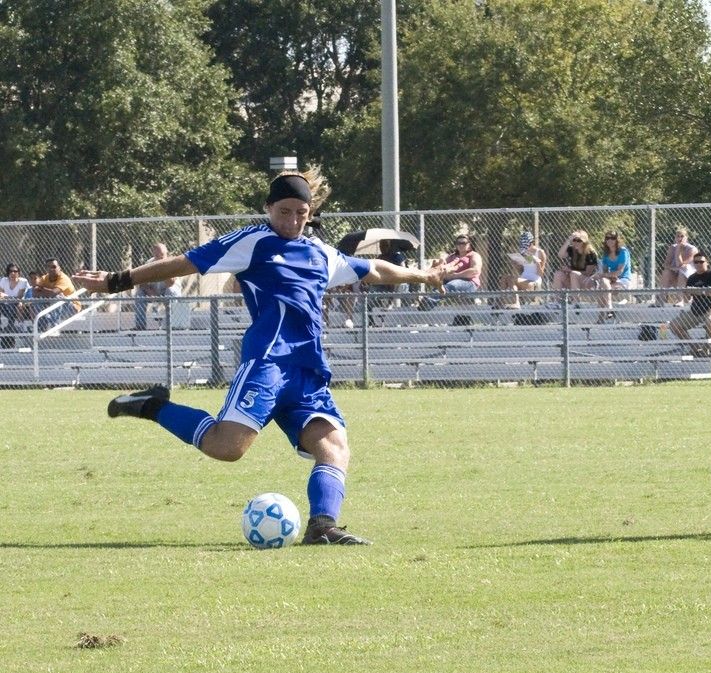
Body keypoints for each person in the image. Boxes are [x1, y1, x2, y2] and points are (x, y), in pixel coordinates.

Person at [73, 168, 445, 546]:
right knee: (227, 448)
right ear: (268, 208)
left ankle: (322, 527)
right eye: (284, 211)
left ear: (310, 212)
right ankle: (152, 406)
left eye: (301, 212)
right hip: (267, 363)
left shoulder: (320, 253)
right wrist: (117, 280)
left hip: (308, 370)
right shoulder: (253, 242)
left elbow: (375, 269)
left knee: (334, 447)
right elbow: (186, 262)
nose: (292, 220)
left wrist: (422, 276)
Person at [668, 252, 711, 354]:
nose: (698, 264)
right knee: (674, 325)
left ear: (707, 262)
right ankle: (695, 347)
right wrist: (687, 292)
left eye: (701, 262)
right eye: (696, 262)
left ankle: (706, 347)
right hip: (696, 311)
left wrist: (697, 291)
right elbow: (688, 297)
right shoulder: (692, 278)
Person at [419, 230, 483, 310]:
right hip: (450, 280)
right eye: (458, 243)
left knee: (452, 285)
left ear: (469, 245)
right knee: (438, 286)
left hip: (469, 282)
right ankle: (425, 307)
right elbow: (444, 268)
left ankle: (427, 303)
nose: (460, 245)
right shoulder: (452, 256)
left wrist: (456, 276)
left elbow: (475, 271)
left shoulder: (474, 255)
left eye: (463, 243)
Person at [134, 242, 181, 330]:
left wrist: (163, 270)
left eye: (162, 254)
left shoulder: (172, 262)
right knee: (139, 294)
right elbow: (141, 282)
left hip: (169, 290)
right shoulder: (148, 263)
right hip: (154, 290)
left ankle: (171, 325)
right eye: (157, 255)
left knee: (170, 291)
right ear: (153, 254)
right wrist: (149, 291)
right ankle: (140, 326)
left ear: (166, 252)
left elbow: (171, 283)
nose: (160, 257)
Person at [498, 231, 546, 309]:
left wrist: (537, 263)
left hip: (534, 282)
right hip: (523, 279)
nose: (525, 248)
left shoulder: (540, 252)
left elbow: (541, 274)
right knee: (505, 277)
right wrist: (516, 265)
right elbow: (522, 271)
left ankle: (516, 303)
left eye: (527, 245)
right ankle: (500, 303)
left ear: (531, 242)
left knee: (511, 279)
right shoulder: (523, 252)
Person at [592, 231, 632, 320]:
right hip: (612, 280)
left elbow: (619, 272)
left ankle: (601, 317)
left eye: (613, 238)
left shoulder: (623, 251)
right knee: (603, 283)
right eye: (607, 238)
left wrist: (604, 275)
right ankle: (609, 309)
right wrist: (604, 276)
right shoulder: (606, 254)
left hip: (623, 279)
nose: (610, 240)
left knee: (602, 289)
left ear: (617, 240)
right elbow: (605, 272)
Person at [33, 258, 81, 331]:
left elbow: (53, 293)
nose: (51, 269)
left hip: (72, 308)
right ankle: (42, 327)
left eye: (54, 267)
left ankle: (54, 327)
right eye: (48, 267)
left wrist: (42, 289)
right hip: (54, 306)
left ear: (59, 268)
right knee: (36, 300)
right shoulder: (45, 278)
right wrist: (46, 291)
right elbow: (35, 292)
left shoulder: (64, 278)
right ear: (46, 269)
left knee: (57, 297)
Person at [552, 231, 598, 303]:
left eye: (579, 240)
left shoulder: (590, 253)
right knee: (558, 274)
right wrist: (568, 240)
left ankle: (576, 302)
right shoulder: (572, 249)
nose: (576, 242)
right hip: (573, 281)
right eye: (574, 240)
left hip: (588, 282)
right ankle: (557, 302)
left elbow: (588, 273)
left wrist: (570, 270)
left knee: (574, 274)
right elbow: (560, 255)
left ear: (584, 242)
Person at [656, 227, 698, 305]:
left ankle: (680, 300)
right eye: (678, 236)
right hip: (676, 277)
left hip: (688, 279)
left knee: (683, 270)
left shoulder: (692, 249)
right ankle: (660, 301)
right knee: (666, 272)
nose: (680, 238)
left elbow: (681, 264)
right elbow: (666, 264)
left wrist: (678, 250)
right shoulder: (672, 248)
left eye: (682, 236)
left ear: (686, 237)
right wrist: (673, 268)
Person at [0, 264, 28, 331]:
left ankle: (20, 325)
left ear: (18, 272)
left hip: (17, 304)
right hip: (5, 304)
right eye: (10, 271)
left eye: (15, 271)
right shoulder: (4, 280)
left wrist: (6, 296)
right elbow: (0, 294)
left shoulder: (23, 281)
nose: (13, 273)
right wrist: (7, 297)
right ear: (7, 272)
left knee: (20, 304)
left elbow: (19, 297)